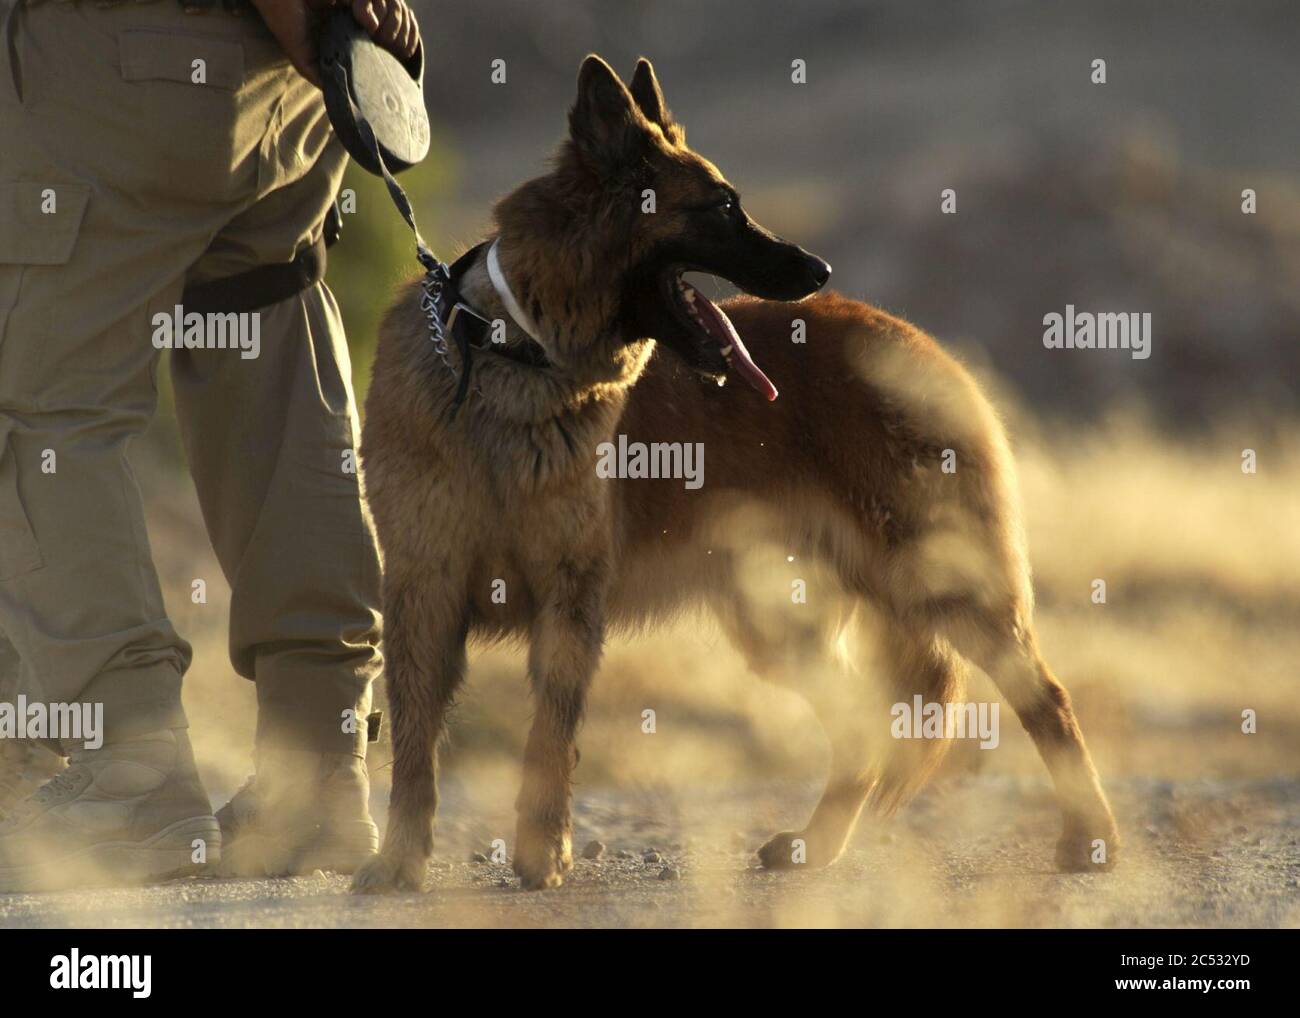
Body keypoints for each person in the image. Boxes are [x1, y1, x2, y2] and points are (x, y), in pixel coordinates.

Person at [0, 0, 418, 889]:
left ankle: (128, 773)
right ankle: (315, 779)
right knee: (270, 352)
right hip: (301, 83)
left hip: (122, 66)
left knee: (42, 409)